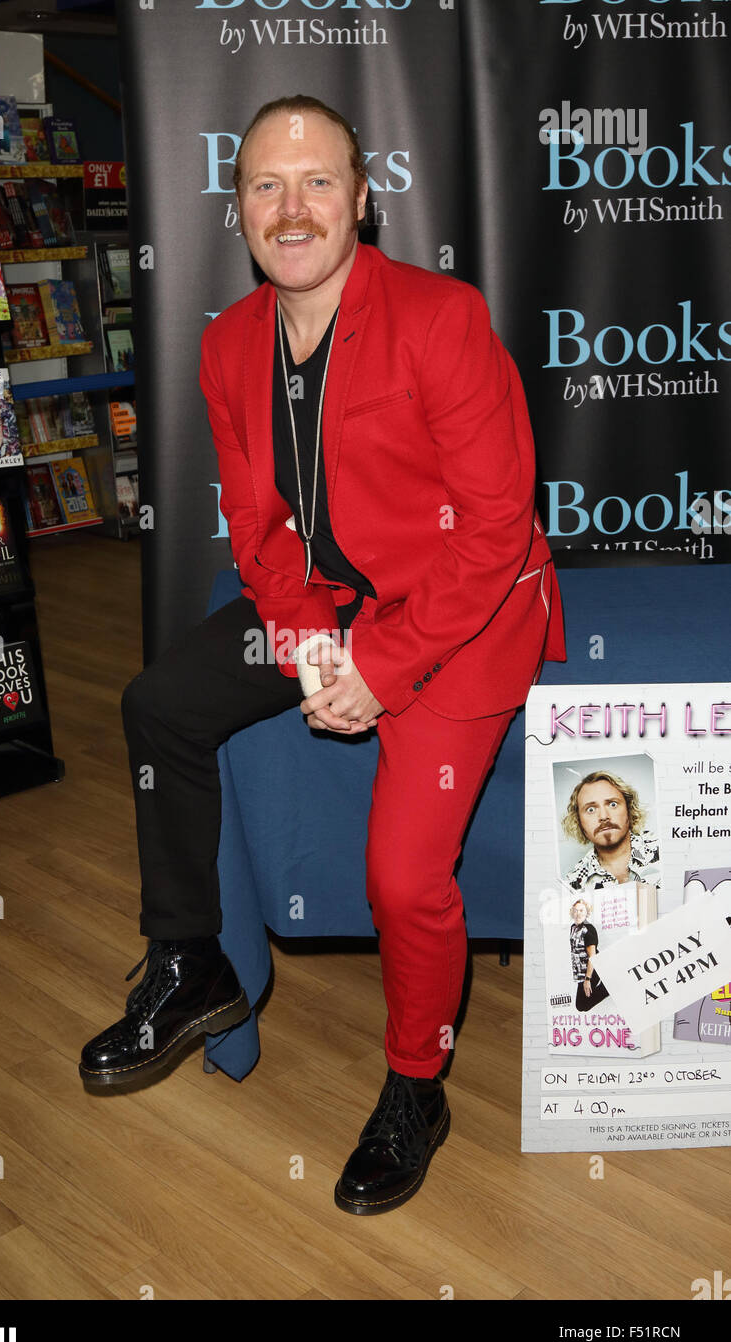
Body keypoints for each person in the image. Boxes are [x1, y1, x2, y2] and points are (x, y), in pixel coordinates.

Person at [79, 94, 565, 1216]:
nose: (288, 208)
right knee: (159, 703)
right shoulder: (225, 343)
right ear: (237, 205)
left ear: (359, 199)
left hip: (469, 613)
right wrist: (304, 642)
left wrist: (379, 669)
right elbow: (257, 527)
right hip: (333, 608)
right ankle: (190, 957)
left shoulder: (440, 319)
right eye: (263, 184)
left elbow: (493, 532)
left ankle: (414, 1087)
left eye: (314, 182)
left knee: (401, 875)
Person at [562, 770, 660, 891]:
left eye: (612, 804)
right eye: (591, 809)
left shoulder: (663, 848)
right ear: (578, 821)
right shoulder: (573, 884)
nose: (603, 816)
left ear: (629, 809)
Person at [568, 898, 608, 1012]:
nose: (578, 913)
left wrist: (587, 979)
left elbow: (593, 958)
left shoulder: (588, 930)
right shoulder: (573, 927)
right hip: (581, 971)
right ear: (572, 912)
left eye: (581, 910)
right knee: (581, 1004)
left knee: (581, 1005)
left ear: (587, 912)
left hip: (593, 969)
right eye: (575, 910)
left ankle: (608, 988)